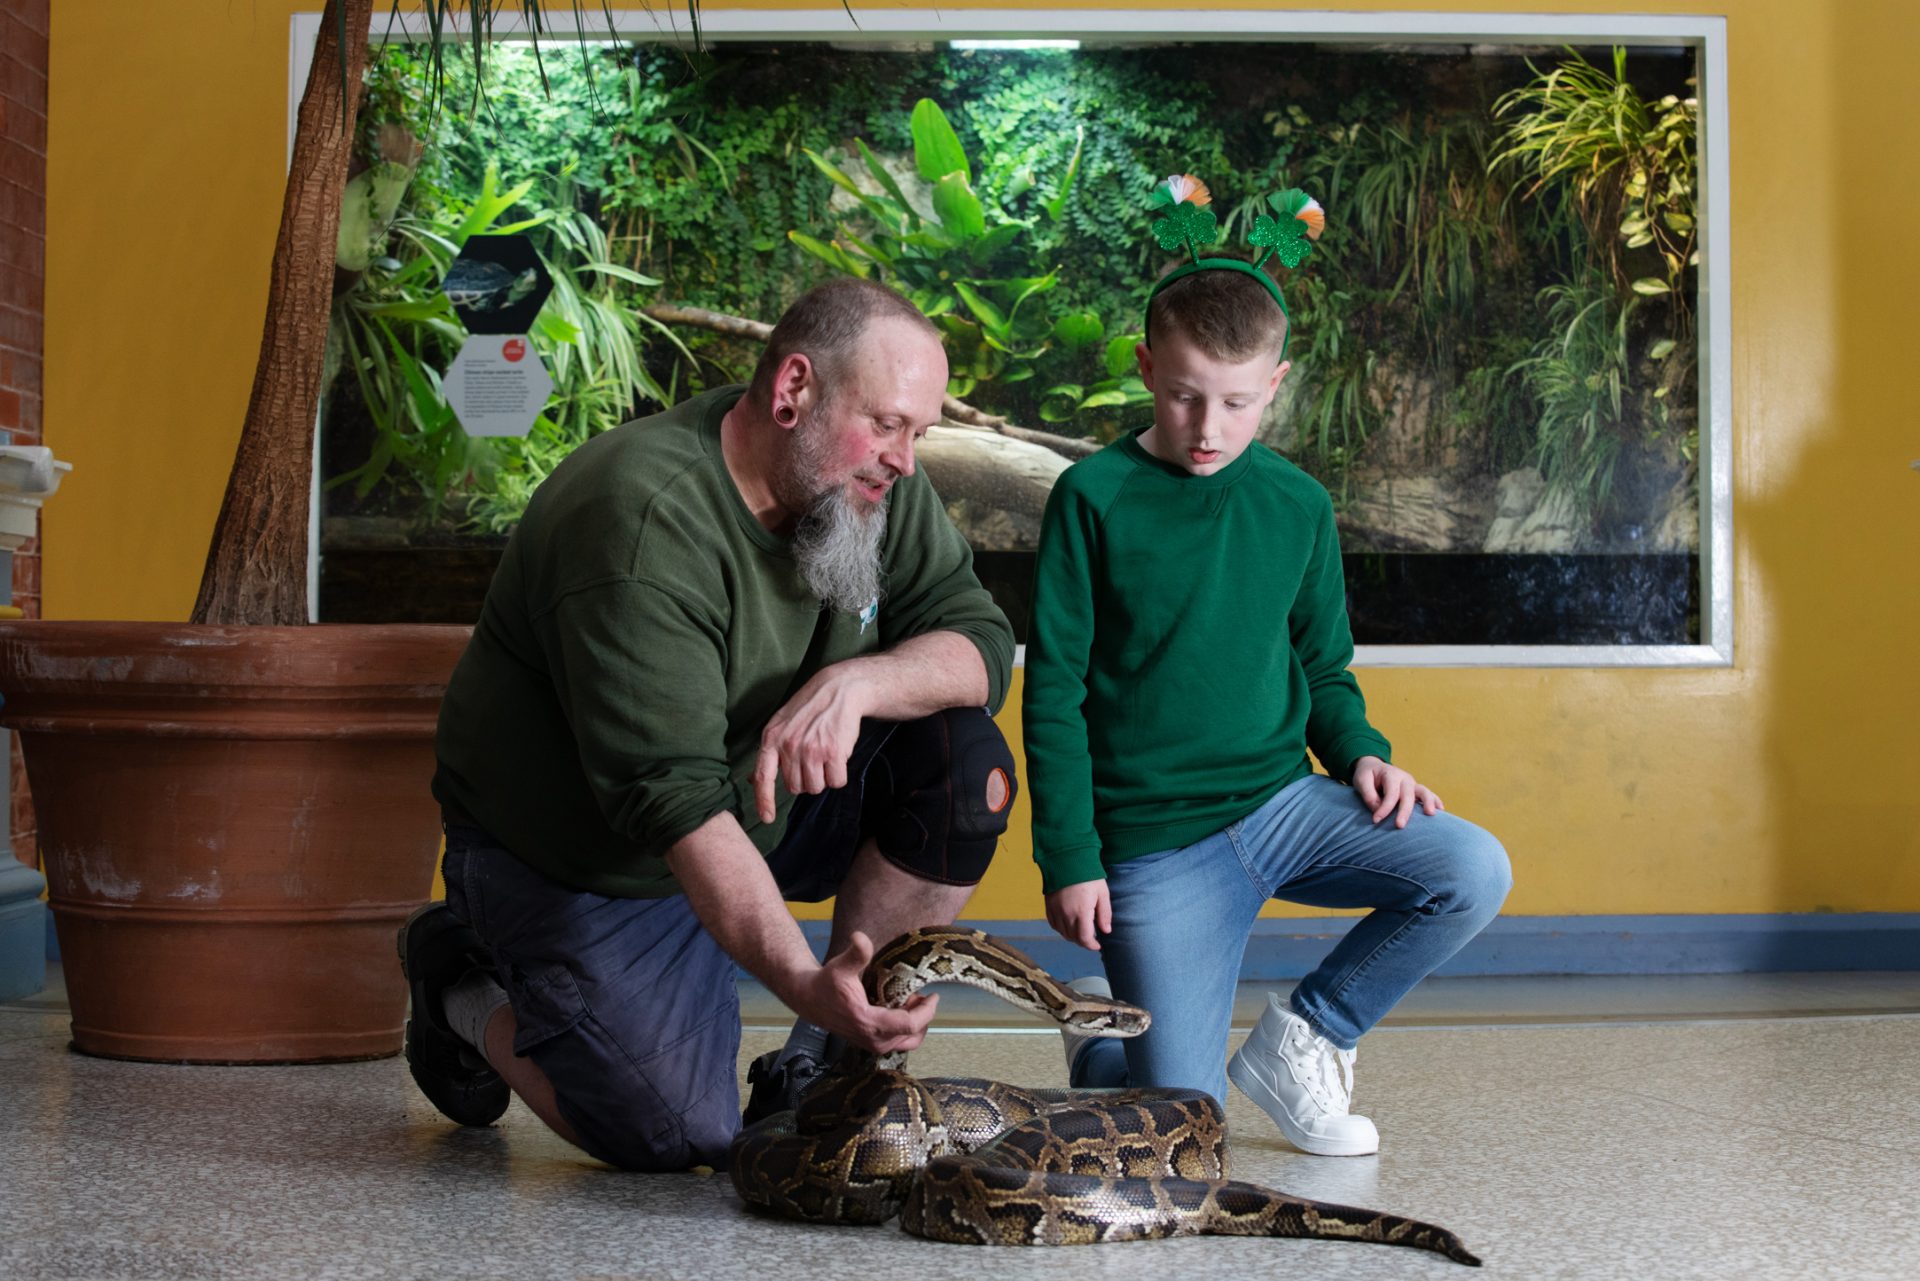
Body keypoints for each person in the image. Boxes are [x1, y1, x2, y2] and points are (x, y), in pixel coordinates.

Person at [399, 277, 1019, 1171]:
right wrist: (795, 971)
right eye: (887, 423)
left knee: (966, 768)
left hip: (756, 802)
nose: (905, 459)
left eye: (917, 432)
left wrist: (858, 682)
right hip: (589, 856)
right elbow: (679, 805)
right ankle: (457, 977)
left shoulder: (869, 486)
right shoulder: (641, 524)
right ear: (793, 389)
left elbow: (980, 640)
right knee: (671, 1134)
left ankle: (820, 1064)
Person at [1023, 177, 1511, 1157]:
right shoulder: (1091, 496)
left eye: (1238, 403)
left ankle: (1307, 1038)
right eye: (1183, 395)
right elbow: (1056, 691)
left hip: (1282, 805)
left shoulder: (1296, 506)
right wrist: (1071, 859)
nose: (1209, 428)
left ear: (1276, 385)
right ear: (1144, 366)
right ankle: (1107, 1042)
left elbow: (1324, 667)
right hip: (1156, 847)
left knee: (1470, 866)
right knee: (1183, 1130)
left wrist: (1363, 753)